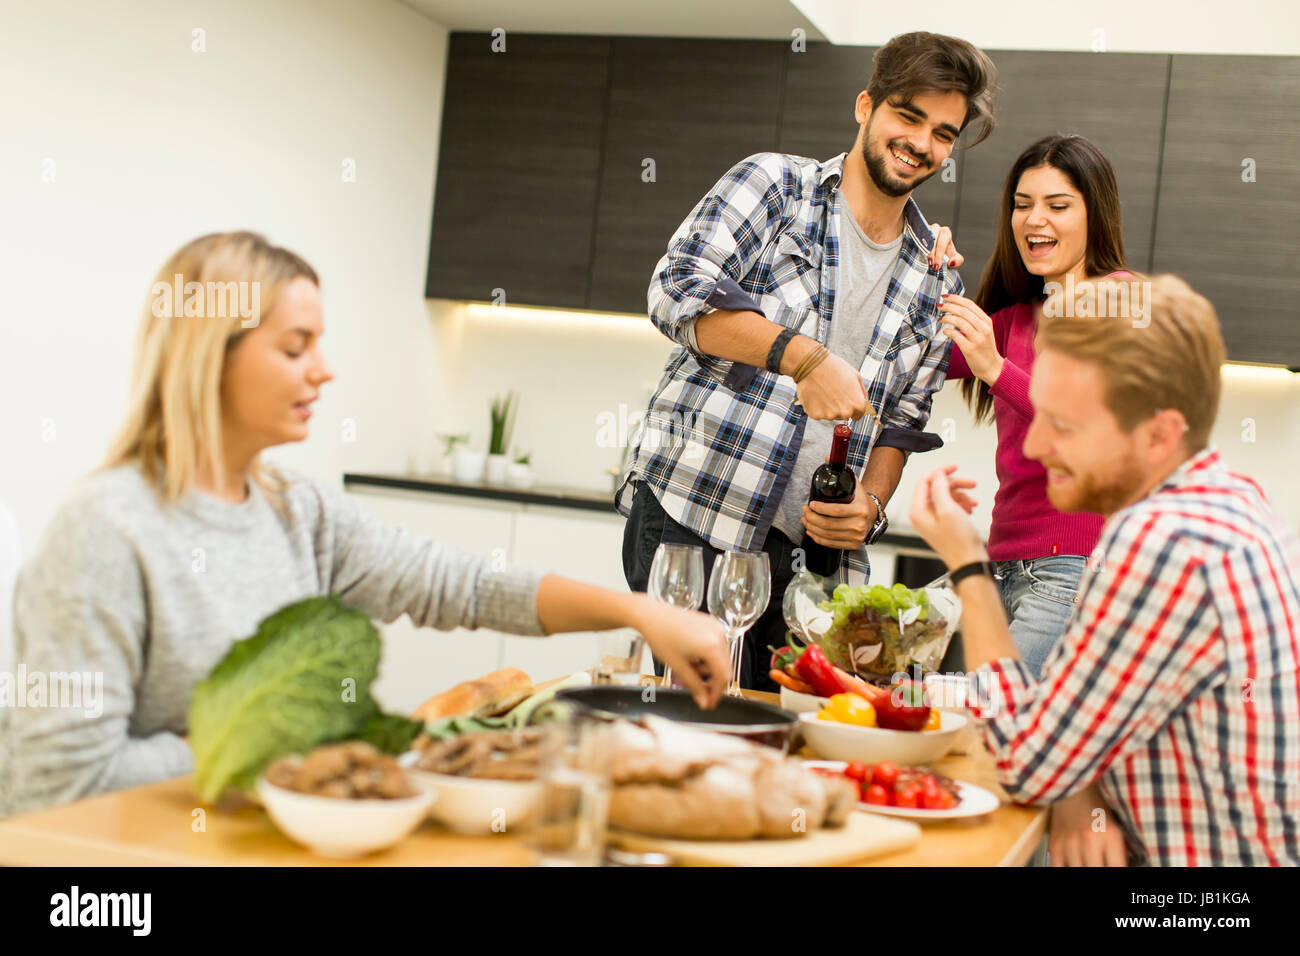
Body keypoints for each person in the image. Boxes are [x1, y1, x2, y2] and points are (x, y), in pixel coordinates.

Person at [1, 232, 730, 818]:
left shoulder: (297, 510)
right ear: (207, 360)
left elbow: (460, 585)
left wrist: (637, 610)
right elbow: (59, 780)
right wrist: (262, 745)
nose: (324, 371)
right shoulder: (105, 529)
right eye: (294, 348)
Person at [620, 31, 996, 691]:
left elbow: (903, 420)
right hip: (700, 514)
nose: (920, 143)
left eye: (942, 132)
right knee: (699, 731)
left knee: (784, 748)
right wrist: (803, 359)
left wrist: (872, 505)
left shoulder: (938, 280)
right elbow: (676, 288)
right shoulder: (777, 185)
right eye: (906, 116)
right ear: (865, 106)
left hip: (813, 564)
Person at [909, 274, 1300, 866]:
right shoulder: (1231, 502)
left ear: (1159, 435)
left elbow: (1028, 761)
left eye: (1063, 424)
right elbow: (1079, 721)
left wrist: (968, 565)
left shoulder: (1161, 541)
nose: (1035, 446)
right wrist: (1084, 787)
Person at [938, 134, 1132, 678]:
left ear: (1095, 215)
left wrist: (995, 368)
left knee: (996, 725)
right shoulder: (1012, 319)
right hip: (1002, 564)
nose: (1033, 219)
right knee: (981, 732)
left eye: (1057, 205)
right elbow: (906, 360)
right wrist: (922, 265)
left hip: (1075, 567)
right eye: (1022, 205)